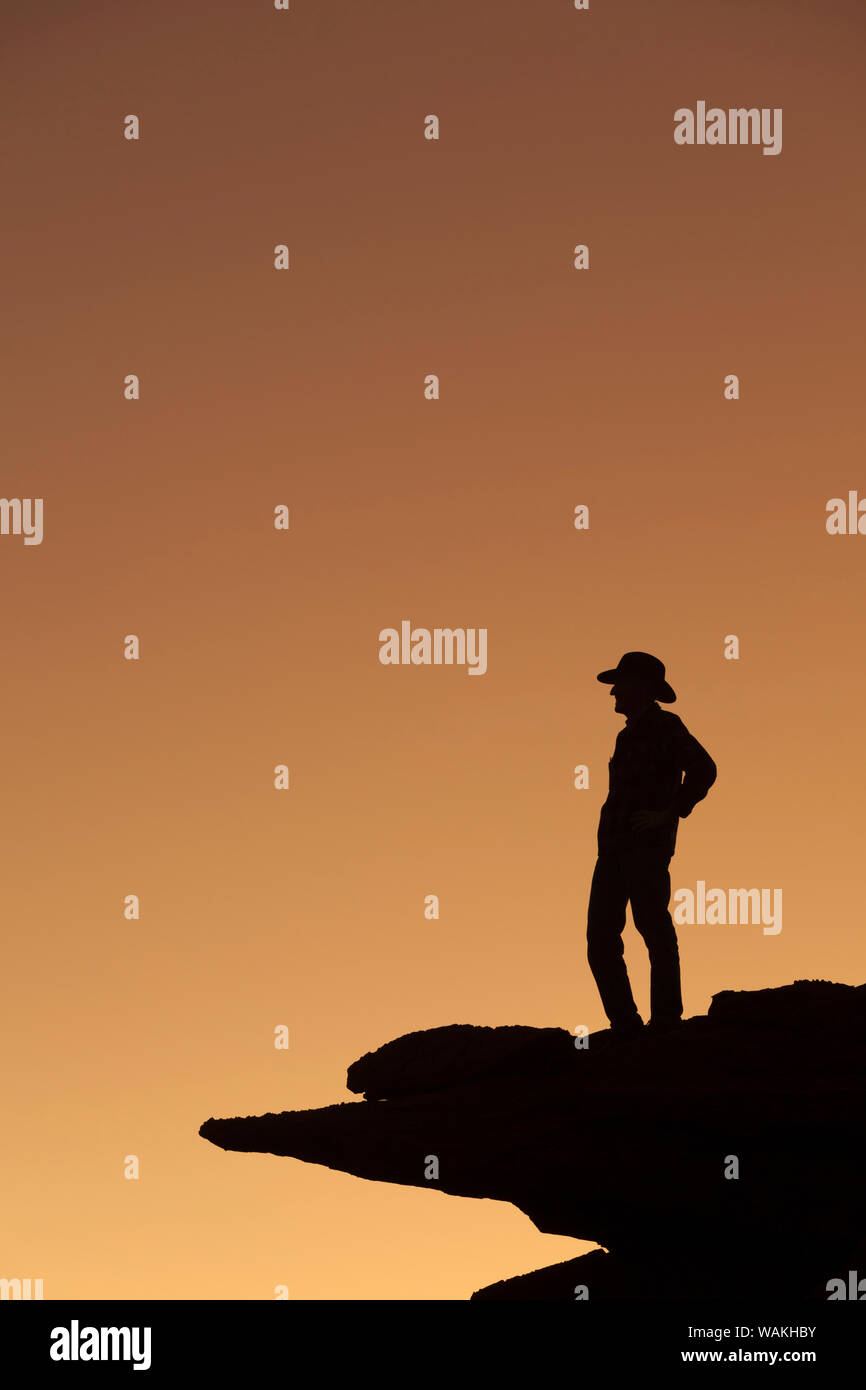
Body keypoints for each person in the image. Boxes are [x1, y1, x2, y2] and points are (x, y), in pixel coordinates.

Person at [586, 652, 717, 1037]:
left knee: (653, 928)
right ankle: (625, 1025)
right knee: (600, 937)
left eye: (620, 684)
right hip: (612, 849)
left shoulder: (665, 726)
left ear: (640, 689)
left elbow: (704, 769)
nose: (613, 692)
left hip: (645, 848)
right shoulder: (626, 735)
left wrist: (669, 813)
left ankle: (665, 1021)